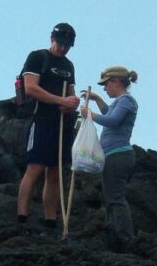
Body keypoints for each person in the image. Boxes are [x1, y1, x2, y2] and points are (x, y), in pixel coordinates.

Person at [16, 23, 80, 235]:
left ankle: (50, 220)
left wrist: (72, 103)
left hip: (62, 122)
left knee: (55, 171)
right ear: (52, 39)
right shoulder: (38, 57)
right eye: (60, 43)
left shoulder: (69, 65)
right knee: (35, 167)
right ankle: (22, 216)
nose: (63, 48)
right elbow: (31, 88)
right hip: (41, 119)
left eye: (67, 45)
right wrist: (60, 100)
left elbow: (71, 92)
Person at [81, 66, 139, 250]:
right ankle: (116, 236)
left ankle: (126, 240)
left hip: (118, 155)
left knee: (115, 198)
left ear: (117, 82)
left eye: (106, 84)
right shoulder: (121, 102)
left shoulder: (126, 100)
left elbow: (113, 121)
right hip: (114, 155)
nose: (105, 88)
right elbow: (109, 114)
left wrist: (90, 115)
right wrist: (97, 99)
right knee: (111, 197)